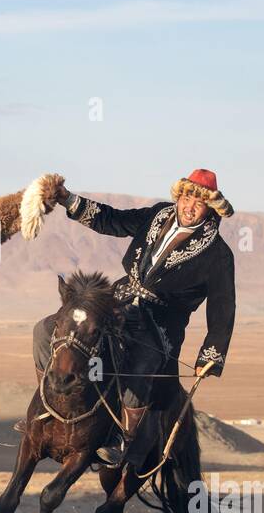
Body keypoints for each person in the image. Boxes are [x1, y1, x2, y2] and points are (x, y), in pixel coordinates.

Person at [28, 169, 236, 471]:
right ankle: (48, 406)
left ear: (210, 208)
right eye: (187, 197)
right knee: (46, 329)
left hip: (161, 323)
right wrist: (67, 199)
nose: (190, 206)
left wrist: (211, 354)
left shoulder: (218, 253)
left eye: (199, 202)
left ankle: (121, 438)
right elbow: (113, 220)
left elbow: (223, 305)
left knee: (141, 364)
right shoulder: (157, 215)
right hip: (120, 301)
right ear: (179, 196)